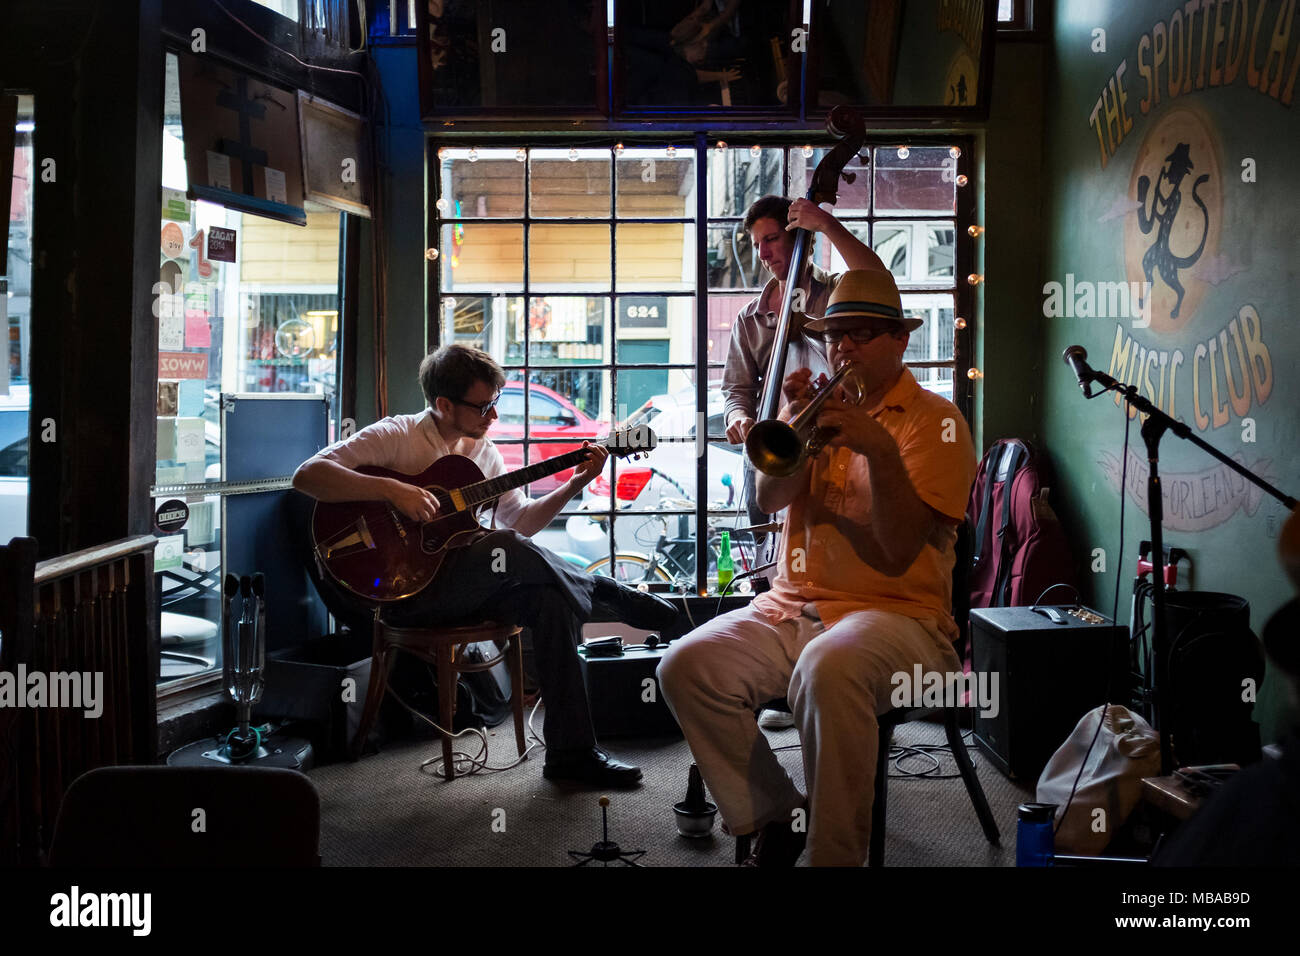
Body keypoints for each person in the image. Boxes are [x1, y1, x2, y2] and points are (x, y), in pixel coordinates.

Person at [658, 269, 978, 865]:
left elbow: (898, 550)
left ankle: (832, 855)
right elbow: (769, 500)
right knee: (684, 666)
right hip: (791, 606)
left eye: (860, 334)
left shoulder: (936, 422)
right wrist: (798, 428)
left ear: (900, 340)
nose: (843, 349)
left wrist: (875, 448)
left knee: (829, 667)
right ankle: (777, 817)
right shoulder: (819, 411)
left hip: (900, 619)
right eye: (835, 336)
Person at [293, 344, 682, 787]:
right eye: (483, 406)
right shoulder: (396, 435)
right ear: (443, 404)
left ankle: (571, 754)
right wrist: (393, 492)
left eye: (495, 403)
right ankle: (602, 591)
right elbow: (307, 475)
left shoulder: (484, 455)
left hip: (463, 590)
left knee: (550, 598)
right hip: (403, 594)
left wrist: (576, 484)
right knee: (505, 545)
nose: (493, 417)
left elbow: (523, 523)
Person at [721, 194, 888, 730]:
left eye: (773, 239)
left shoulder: (838, 292)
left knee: (834, 553)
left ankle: (837, 669)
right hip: (775, 452)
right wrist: (738, 417)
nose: (766, 252)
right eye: (758, 244)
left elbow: (876, 275)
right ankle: (777, 686)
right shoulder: (752, 316)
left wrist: (826, 223)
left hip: (837, 438)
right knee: (773, 568)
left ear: (797, 239)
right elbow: (735, 389)